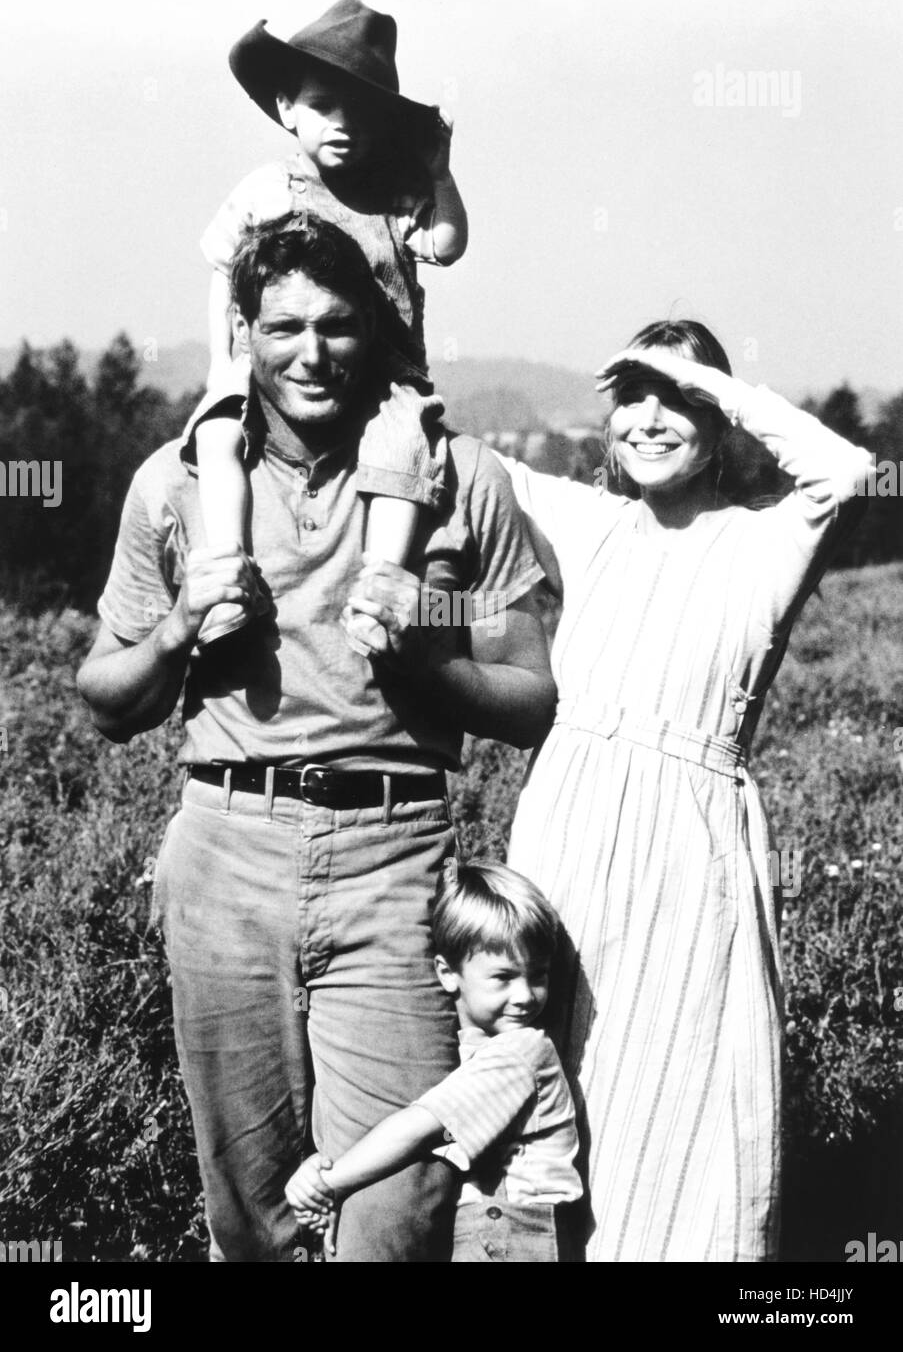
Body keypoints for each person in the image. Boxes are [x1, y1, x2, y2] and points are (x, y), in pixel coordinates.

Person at [76, 213, 553, 1263]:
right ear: (241, 333)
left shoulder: (461, 475)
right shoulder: (178, 484)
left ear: (375, 334)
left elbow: (530, 696)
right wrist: (175, 629)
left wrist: (428, 653)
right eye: (282, 325)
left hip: (393, 856)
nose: (311, 351)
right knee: (252, 1214)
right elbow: (108, 701)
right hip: (224, 849)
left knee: (399, 1208)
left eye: (338, 326)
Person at [489, 320, 875, 1261]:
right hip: (568, 827)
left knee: (679, 1079)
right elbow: (458, 462)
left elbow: (847, 469)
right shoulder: (587, 523)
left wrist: (698, 374)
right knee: (553, 1069)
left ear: (721, 418)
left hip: (688, 840)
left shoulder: (768, 540)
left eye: (680, 399)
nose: (651, 419)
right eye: (631, 397)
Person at [193, 0, 468, 647]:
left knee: (405, 442)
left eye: (361, 111)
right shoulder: (269, 189)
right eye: (322, 105)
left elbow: (448, 244)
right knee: (214, 431)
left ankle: (378, 588)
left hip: (383, 368)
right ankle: (229, 571)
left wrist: (440, 173)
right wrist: (221, 363)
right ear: (287, 109)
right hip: (279, 366)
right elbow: (219, 268)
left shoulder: (394, 193)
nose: (341, 124)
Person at [285, 858, 582, 1262]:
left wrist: (329, 1182)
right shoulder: (470, 1056)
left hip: (519, 1236)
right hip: (492, 1234)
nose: (525, 995)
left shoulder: (523, 1052)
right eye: (504, 977)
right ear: (447, 973)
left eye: (538, 975)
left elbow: (418, 1129)